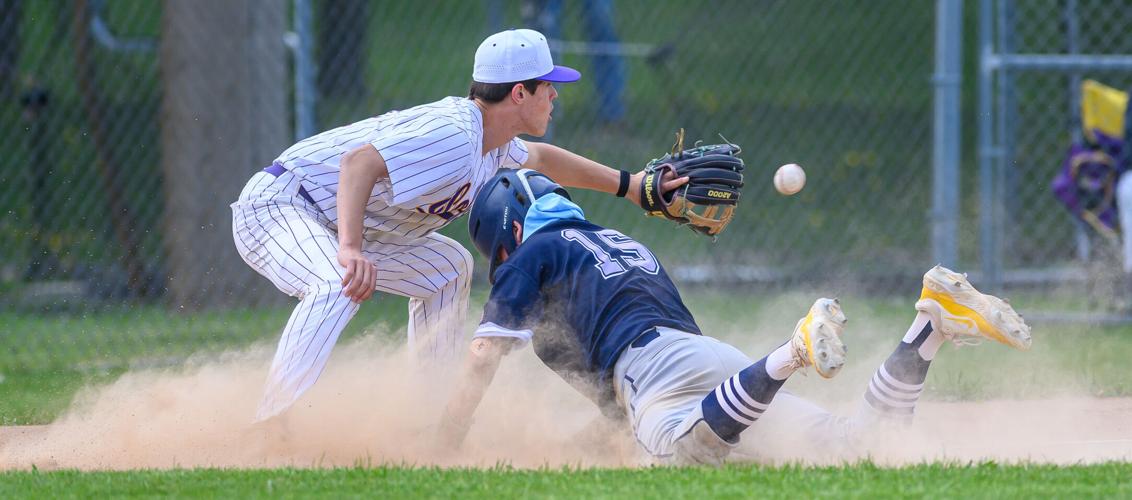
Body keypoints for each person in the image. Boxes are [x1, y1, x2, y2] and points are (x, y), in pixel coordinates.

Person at [229, 29, 685, 422]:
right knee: (336, 281)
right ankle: (273, 420)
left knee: (449, 267)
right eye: (547, 85)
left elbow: (543, 159)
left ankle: (426, 419)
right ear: (518, 93)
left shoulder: (494, 144)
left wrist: (631, 185)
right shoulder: (454, 136)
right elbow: (358, 163)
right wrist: (349, 247)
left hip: (329, 221)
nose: (555, 94)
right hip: (282, 206)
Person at [438, 169, 1033, 464]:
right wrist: (573, 449)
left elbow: (483, 352)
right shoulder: (621, 244)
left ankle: (792, 352)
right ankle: (929, 325)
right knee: (858, 446)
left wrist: (445, 444)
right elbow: (626, 409)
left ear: (511, 231)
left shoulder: (537, 251)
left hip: (652, 369)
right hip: (706, 360)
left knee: (682, 458)